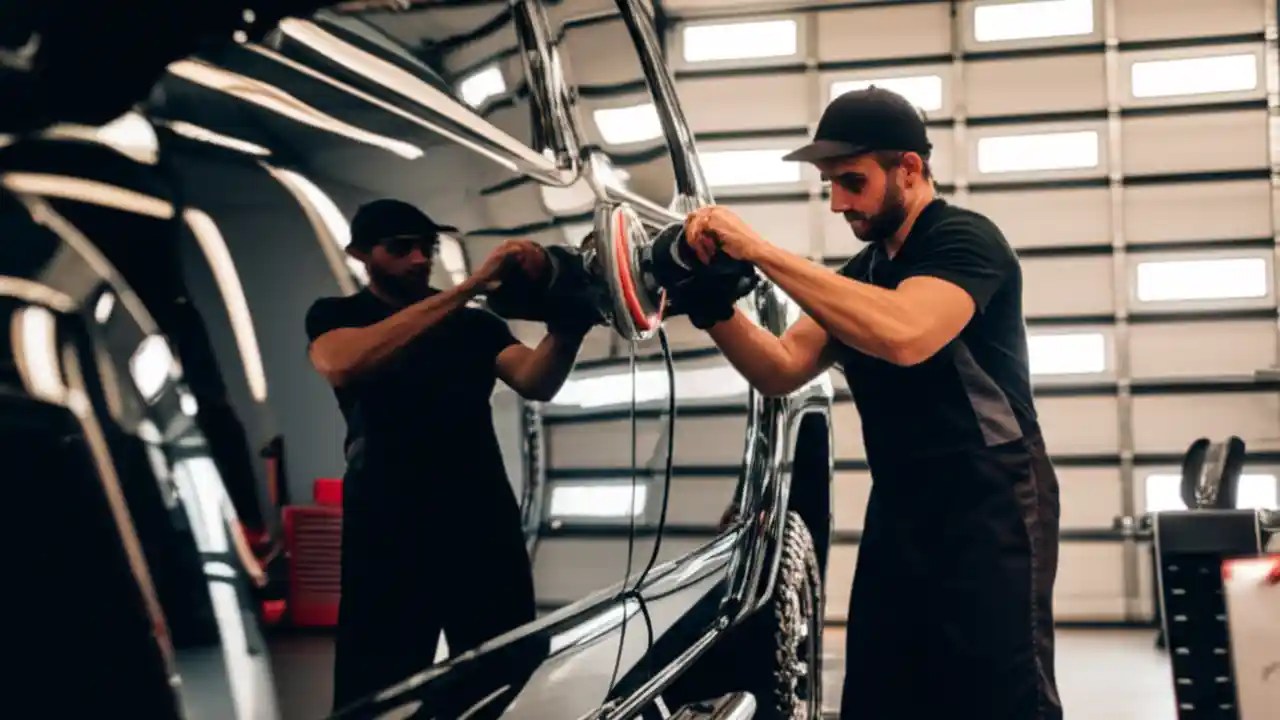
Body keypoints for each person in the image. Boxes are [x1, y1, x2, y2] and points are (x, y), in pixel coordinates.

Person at [683, 87, 1063, 719]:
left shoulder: (965, 240)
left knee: (997, 696)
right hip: (900, 507)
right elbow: (780, 368)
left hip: (989, 499)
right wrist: (710, 305)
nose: (838, 202)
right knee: (883, 691)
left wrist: (761, 251)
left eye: (852, 181)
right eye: (830, 185)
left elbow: (905, 334)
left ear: (909, 169)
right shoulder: (860, 275)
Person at [304, 199, 589, 710]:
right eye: (401, 248)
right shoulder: (337, 315)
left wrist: (571, 322)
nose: (419, 259)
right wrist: (470, 287)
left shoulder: (473, 326)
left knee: (502, 670)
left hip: (481, 517)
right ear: (360, 254)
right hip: (389, 523)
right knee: (377, 683)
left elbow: (535, 380)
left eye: (427, 247)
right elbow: (342, 364)